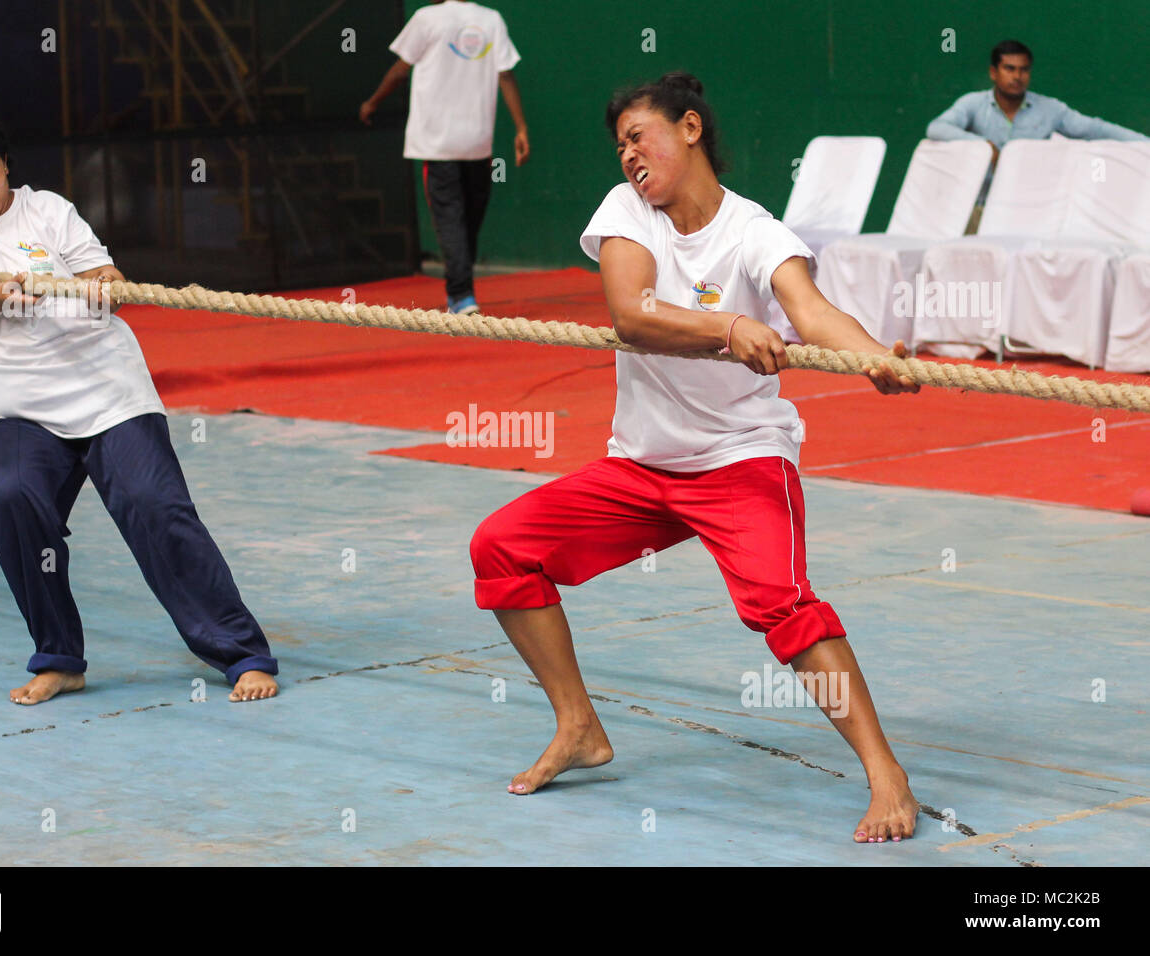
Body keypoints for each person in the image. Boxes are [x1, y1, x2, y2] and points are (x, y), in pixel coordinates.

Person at [470, 73, 923, 844]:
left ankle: (887, 773)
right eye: (618, 146)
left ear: (688, 128)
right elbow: (631, 312)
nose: (627, 156)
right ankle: (579, 725)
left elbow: (811, 313)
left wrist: (877, 357)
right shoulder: (626, 213)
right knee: (501, 548)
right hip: (642, 468)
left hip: (740, 458)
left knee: (784, 607)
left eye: (638, 137)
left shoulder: (756, 232)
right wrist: (728, 330)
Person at [0, 104, 279, 705]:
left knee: (157, 506)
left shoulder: (48, 210)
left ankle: (241, 653)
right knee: (11, 501)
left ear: (6, 167)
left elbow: (106, 276)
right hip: (18, 411)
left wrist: (105, 284)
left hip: (108, 391)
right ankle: (59, 658)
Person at [360, 0, 529, 316]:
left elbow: (400, 70)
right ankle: (462, 294)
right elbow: (506, 76)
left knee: (457, 221)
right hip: (464, 145)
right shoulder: (484, 19)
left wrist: (372, 102)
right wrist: (520, 127)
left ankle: (462, 295)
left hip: (451, 145)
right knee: (462, 221)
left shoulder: (437, 18)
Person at [928, 40, 1149, 227]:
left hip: (1030, 211)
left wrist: (1144, 142)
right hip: (979, 207)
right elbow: (936, 128)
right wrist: (983, 145)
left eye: (1024, 70)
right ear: (993, 73)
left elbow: (1095, 129)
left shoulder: (1049, 109)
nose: (1017, 76)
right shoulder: (973, 104)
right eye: (1009, 68)